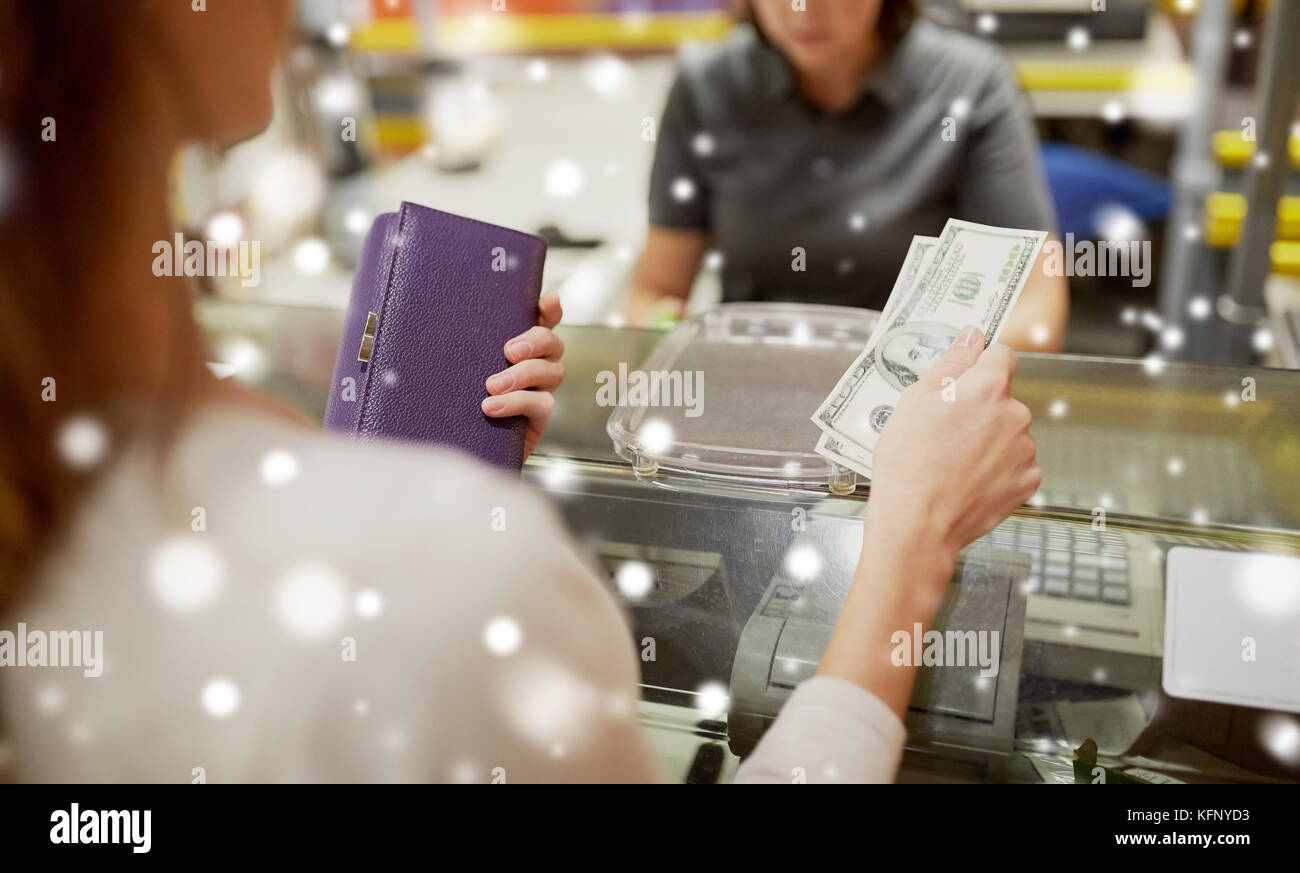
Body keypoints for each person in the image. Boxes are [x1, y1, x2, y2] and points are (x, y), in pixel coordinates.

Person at [0, 0, 1039, 783]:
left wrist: (409, 479)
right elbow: (656, 293)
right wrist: (913, 542)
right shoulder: (446, 579)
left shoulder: (90, 469)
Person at [627, 0, 1069, 352]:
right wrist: (671, 336)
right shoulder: (704, 85)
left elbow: (1036, 313)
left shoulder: (970, 83)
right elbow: (653, 293)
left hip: (916, 397)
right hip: (749, 395)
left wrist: (929, 368)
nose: (803, 9)